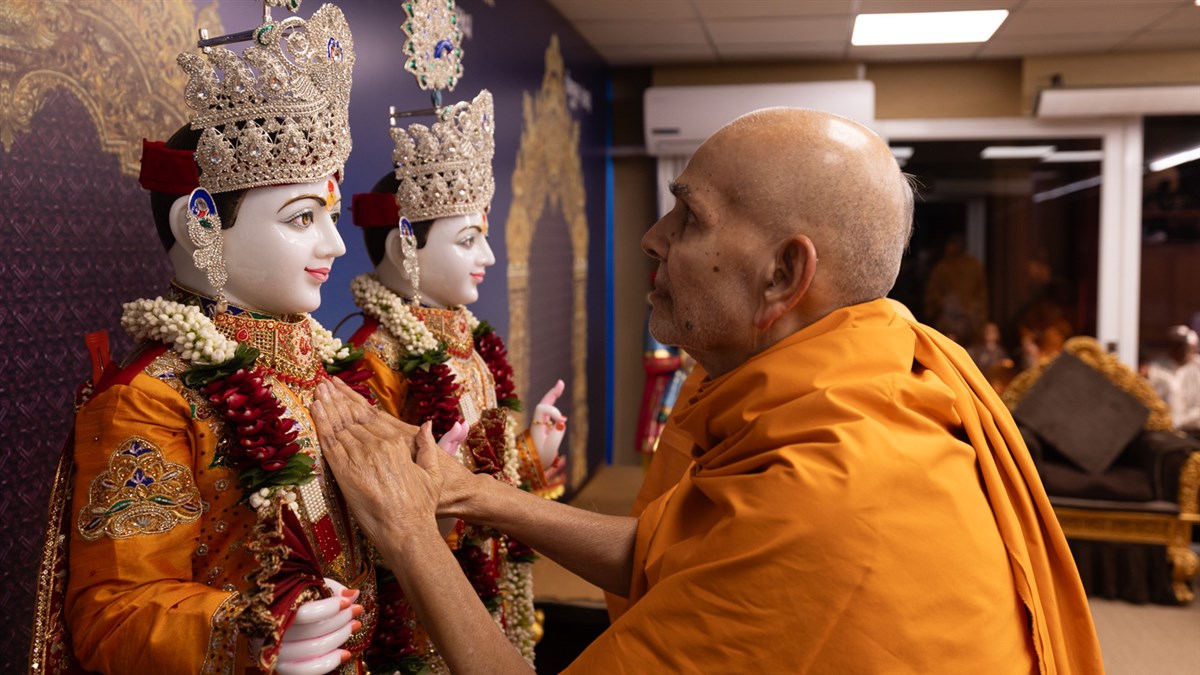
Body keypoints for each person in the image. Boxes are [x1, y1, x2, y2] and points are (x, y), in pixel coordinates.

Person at [311, 108, 1104, 673]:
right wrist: (473, 493)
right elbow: (667, 550)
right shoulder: (872, 363)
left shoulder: (834, 494)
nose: (653, 238)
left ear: (785, 275)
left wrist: (410, 530)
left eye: (688, 218)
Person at [30, 6, 376, 673]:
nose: (333, 243)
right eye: (302, 217)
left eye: (328, 215)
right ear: (202, 224)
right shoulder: (147, 400)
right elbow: (113, 613)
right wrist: (253, 633)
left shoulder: (325, 368)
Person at [343, 89, 566, 672]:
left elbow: (488, 471)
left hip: (484, 569)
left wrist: (532, 451)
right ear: (405, 249)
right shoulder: (375, 357)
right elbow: (370, 508)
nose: (489, 256)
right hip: (419, 601)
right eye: (469, 239)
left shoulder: (468, 341)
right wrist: (435, 507)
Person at [1145, 325, 1200, 438]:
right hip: (1166, 433)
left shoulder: (1197, 367)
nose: (1185, 352)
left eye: (1189, 348)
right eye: (1179, 346)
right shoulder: (1155, 369)